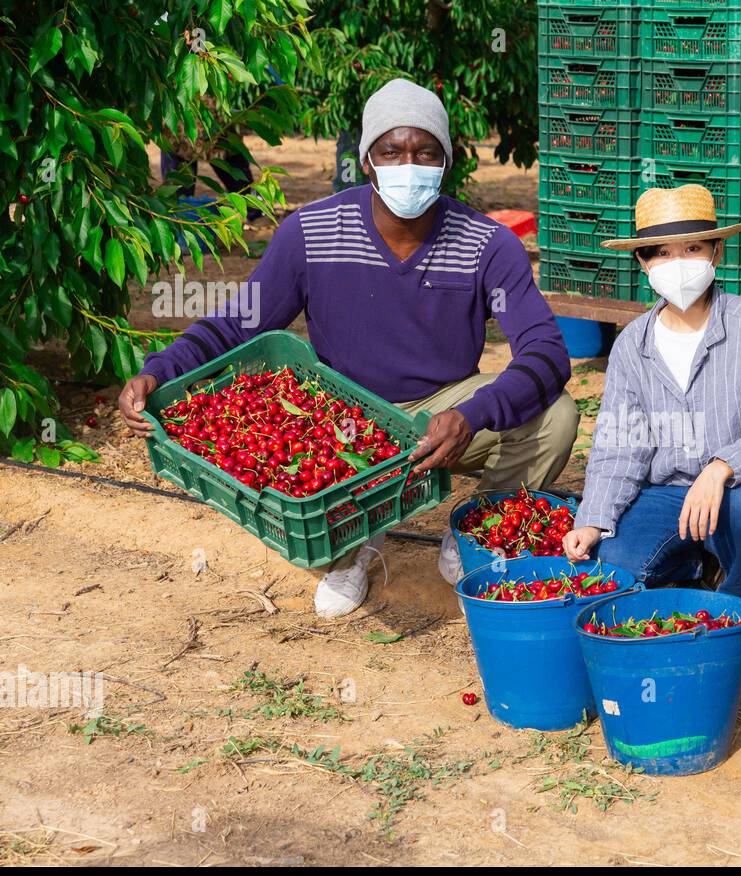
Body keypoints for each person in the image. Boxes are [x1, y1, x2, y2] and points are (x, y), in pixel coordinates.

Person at [119, 79, 579, 618]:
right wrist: (160, 370)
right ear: (366, 160)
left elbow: (546, 353)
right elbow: (235, 325)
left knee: (557, 415)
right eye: (392, 151)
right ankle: (355, 545)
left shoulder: (485, 243)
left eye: (425, 151)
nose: (409, 164)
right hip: (346, 415)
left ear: (447, 161)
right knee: (293, 453)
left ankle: (474, 525)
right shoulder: (311, 234)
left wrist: (470, 414)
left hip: (444, 409)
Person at [563, 185, 741, 598]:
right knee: (615, 563)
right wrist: (592, 518)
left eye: (692, 248)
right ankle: (696, 562)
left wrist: (720, 468)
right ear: (642, 261)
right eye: (662, 253)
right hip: (669, 497)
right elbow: (619, 446)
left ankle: (736, 588)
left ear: (716, 253)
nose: (678, 264)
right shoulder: (633, 345)